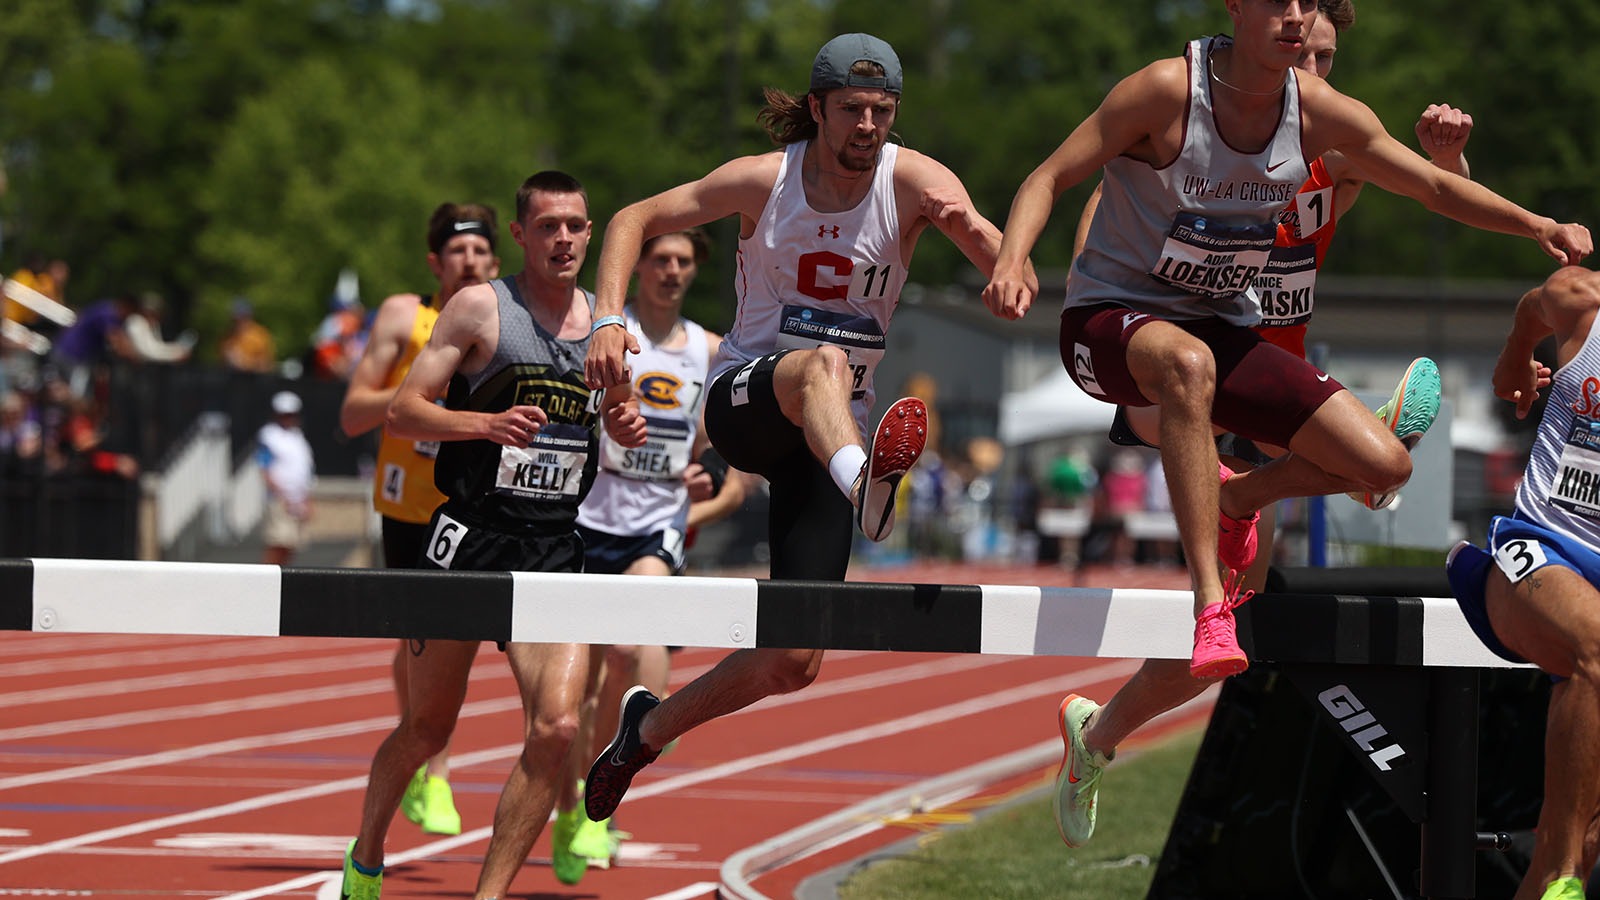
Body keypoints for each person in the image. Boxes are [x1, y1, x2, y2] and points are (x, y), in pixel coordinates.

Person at [981, 0, 1590, 850]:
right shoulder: (1172, 102)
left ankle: (1102, 730)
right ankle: (1210, 581)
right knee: (1188, 390)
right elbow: (1084, 200)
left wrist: (1527, 216)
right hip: (1146, 354)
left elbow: (1434, 186)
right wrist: (1018, 260)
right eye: (1297, 36)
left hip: (1244, 371)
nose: (1310, 66)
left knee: (1363, 481)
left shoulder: (1330, 147)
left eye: (1327, 55)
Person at [581, 32, 1031, 826]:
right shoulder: (767, 181)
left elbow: (1003, 263)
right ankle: (868, 483)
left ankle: (642, 733)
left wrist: (1001, 265)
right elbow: (632, 218)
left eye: (883, 111)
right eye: (852, 109)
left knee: (794, 660)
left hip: (827, 442)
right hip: (749, 402)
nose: (868, 125)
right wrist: (608, 319)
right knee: (818, 362)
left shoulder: (915, 179)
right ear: (817, 109)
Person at [339, 171, 645, 900]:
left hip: (552, 548)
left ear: (590, 231)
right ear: (521, 235)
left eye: (575, 225)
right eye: (547, 227)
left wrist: (622, 421)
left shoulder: (607, 322)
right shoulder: (482, 309)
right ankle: (367, 853)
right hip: (469, 540)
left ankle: (489, 895)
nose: (563, 239)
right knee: (426, 730)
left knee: (558, 729)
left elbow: (614, 412)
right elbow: (403, 413)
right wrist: (484, 423)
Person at [561, 228, 747, 876]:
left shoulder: (710, 350)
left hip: (656, 524)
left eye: (684, 262)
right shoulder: (609, 335)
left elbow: (725, 466)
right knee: (579, 691)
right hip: (589, 517)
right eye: (661, 259)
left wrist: (706, 482)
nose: (671, 271)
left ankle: (617, 775)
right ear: (639, 266)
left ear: (695, 271)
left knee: (626, 646)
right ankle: (572, 805)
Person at [338, 201, 502, 840]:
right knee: (420, 637)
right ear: (436, 262)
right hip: (410, 502)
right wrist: (417, 395)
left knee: (460, 639)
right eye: (457, 251)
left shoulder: (504, 317)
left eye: (480, 251)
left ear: (496, 258)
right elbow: (353, 412)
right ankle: (435, 771)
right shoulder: (407, 315)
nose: (470, 260)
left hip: (474, 504)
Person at [1446, 265, 1600, 900]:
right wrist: (1514, 364)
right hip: (1537, 551)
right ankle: (1563, 874)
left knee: (1593, 838)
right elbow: (1534, 308)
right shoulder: (1584, 302)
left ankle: (1558, 871)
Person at [257, 390, 315, 566]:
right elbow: (265, 469)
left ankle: (283, 582)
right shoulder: (269, 435)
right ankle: (265, 584)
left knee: (291, 545)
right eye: (285, 414)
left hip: (298, 500)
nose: (289, 418)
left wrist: (306, 499)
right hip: (280, 499)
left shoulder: (298, 437)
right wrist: (283, 496)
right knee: (278, 543)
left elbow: (305, 470)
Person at [220, 297, 278, 374]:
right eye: (234, 319)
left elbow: (267, 365)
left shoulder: (259, 335)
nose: (237, 321)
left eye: (241, 317)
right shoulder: (229, 336)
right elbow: (222, 362)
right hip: (232, 380)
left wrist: (244, 363)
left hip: (254, 381)